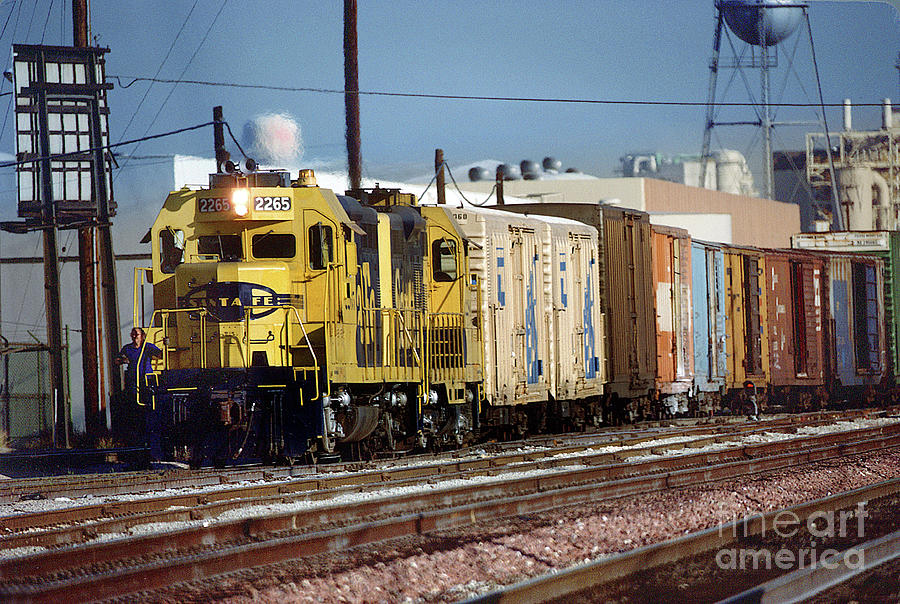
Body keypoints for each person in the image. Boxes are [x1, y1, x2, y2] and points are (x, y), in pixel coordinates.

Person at [116, 327, 163, 455]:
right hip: (133, 384)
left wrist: (165, 345)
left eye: (136, 334)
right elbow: (117, 360)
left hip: (147, 382)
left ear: (142, 336)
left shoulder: (148, 347)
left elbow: (160, 355)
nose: (134, 336)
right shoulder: (127, 348)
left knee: (151, 413)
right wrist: (123, 360)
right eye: (133, 334)